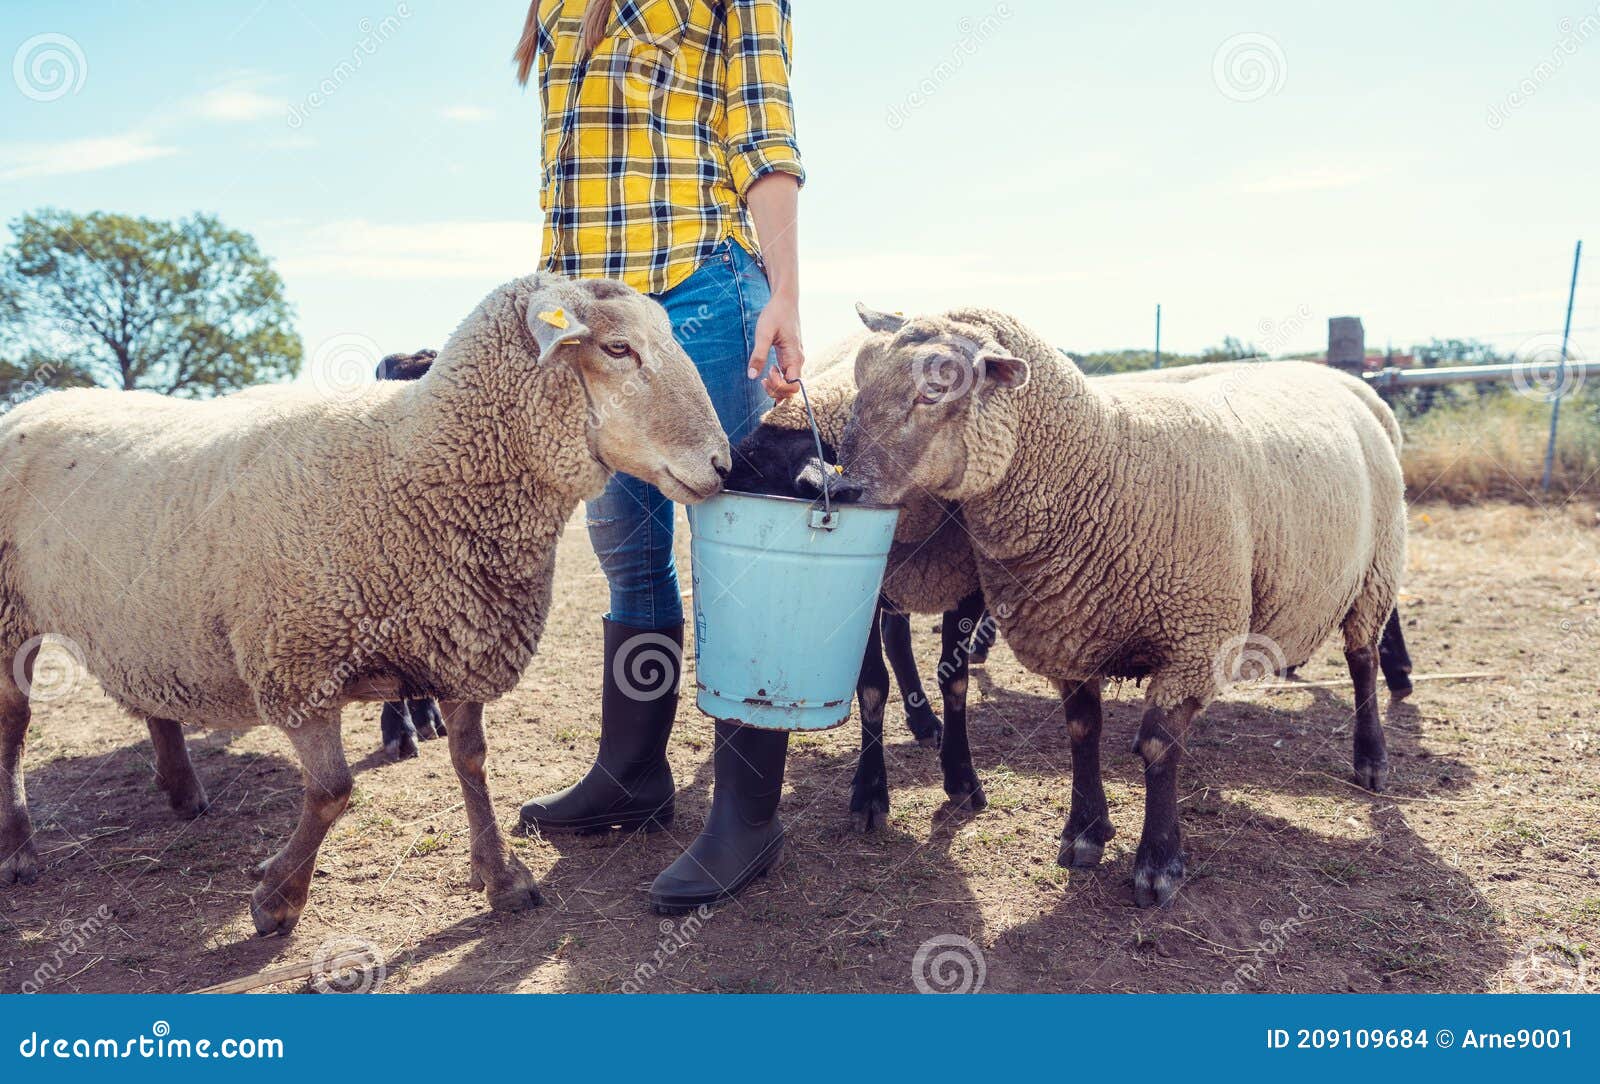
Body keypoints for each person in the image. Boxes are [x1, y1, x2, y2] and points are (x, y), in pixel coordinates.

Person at [513, 0, 806, 912]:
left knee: (736, 556)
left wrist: (787, 291)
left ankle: (748, 817)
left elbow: (764, 136)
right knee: (628, 555)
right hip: (592, 318)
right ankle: (632, 775)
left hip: (697, 296)